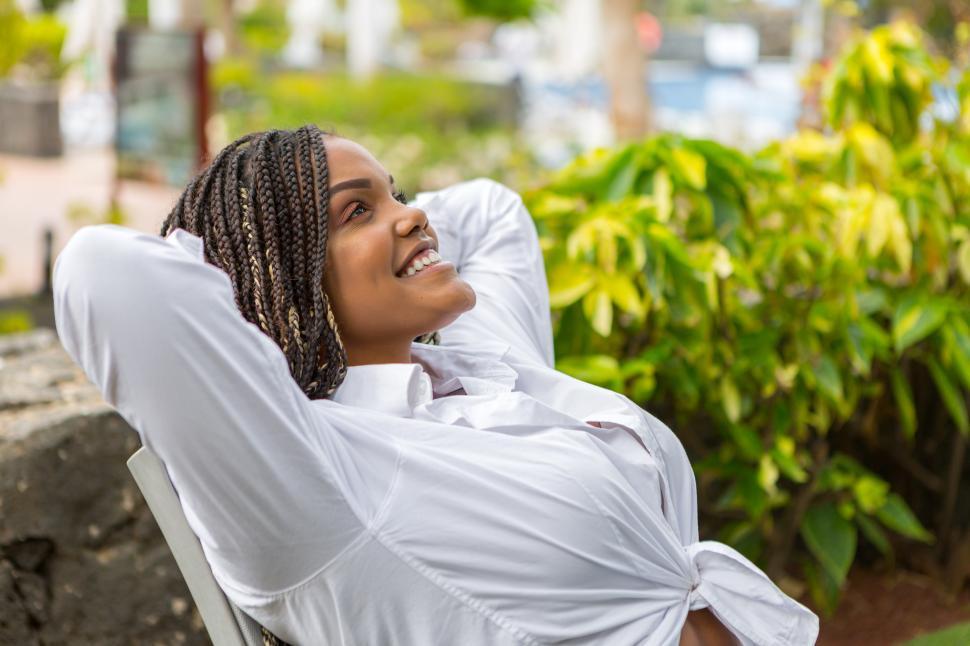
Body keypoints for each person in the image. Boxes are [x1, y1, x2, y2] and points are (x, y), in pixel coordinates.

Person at [53, 125, 819, 645]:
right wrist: (256, 288)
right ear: (282, 279)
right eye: (355, 212)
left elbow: (491, 212)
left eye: (400, 192)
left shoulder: (481, 369)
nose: (415, 213)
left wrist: (380, 223)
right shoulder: (314, 482)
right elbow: (103, 274)